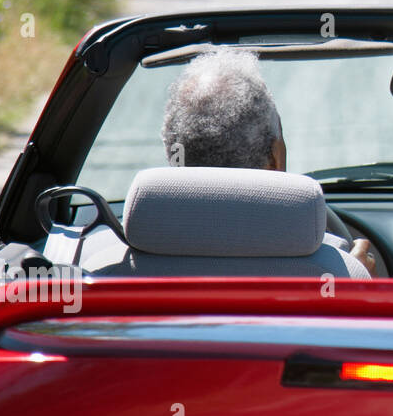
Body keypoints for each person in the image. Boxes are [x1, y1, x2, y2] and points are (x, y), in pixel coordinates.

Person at [160, 48, 380, 275]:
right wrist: (357, 280)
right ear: (275, 157)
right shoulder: (335, 276)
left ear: (173, 156)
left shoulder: (125, 267)